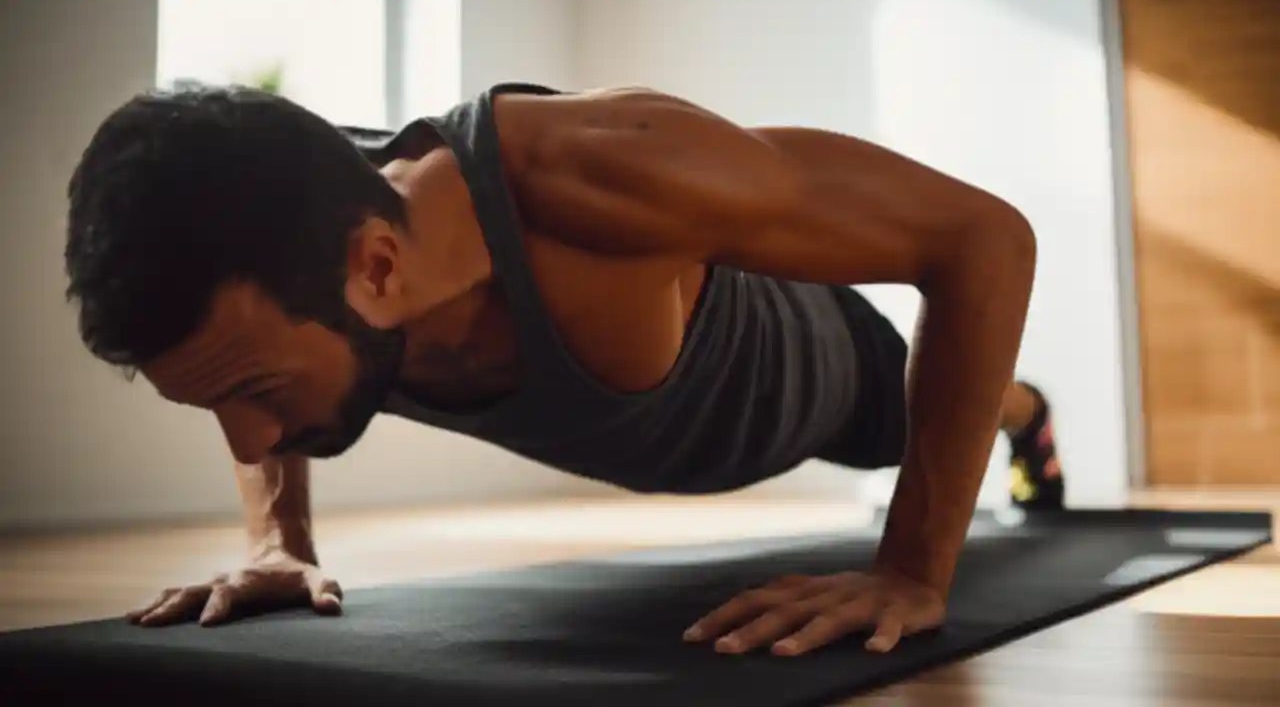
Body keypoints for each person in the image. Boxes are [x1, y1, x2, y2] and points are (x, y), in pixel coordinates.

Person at [64, 83, 1064, 658]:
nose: (249, 437)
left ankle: (1025, 415)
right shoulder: (291, 247)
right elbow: (238, 360)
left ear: (378, 267)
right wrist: (279, 542)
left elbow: (981, 239)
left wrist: (909, 573)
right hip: (674, 430)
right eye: (216, 401)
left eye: (256, 393)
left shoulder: (609, 170)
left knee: (910, 416)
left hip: (811, 375)